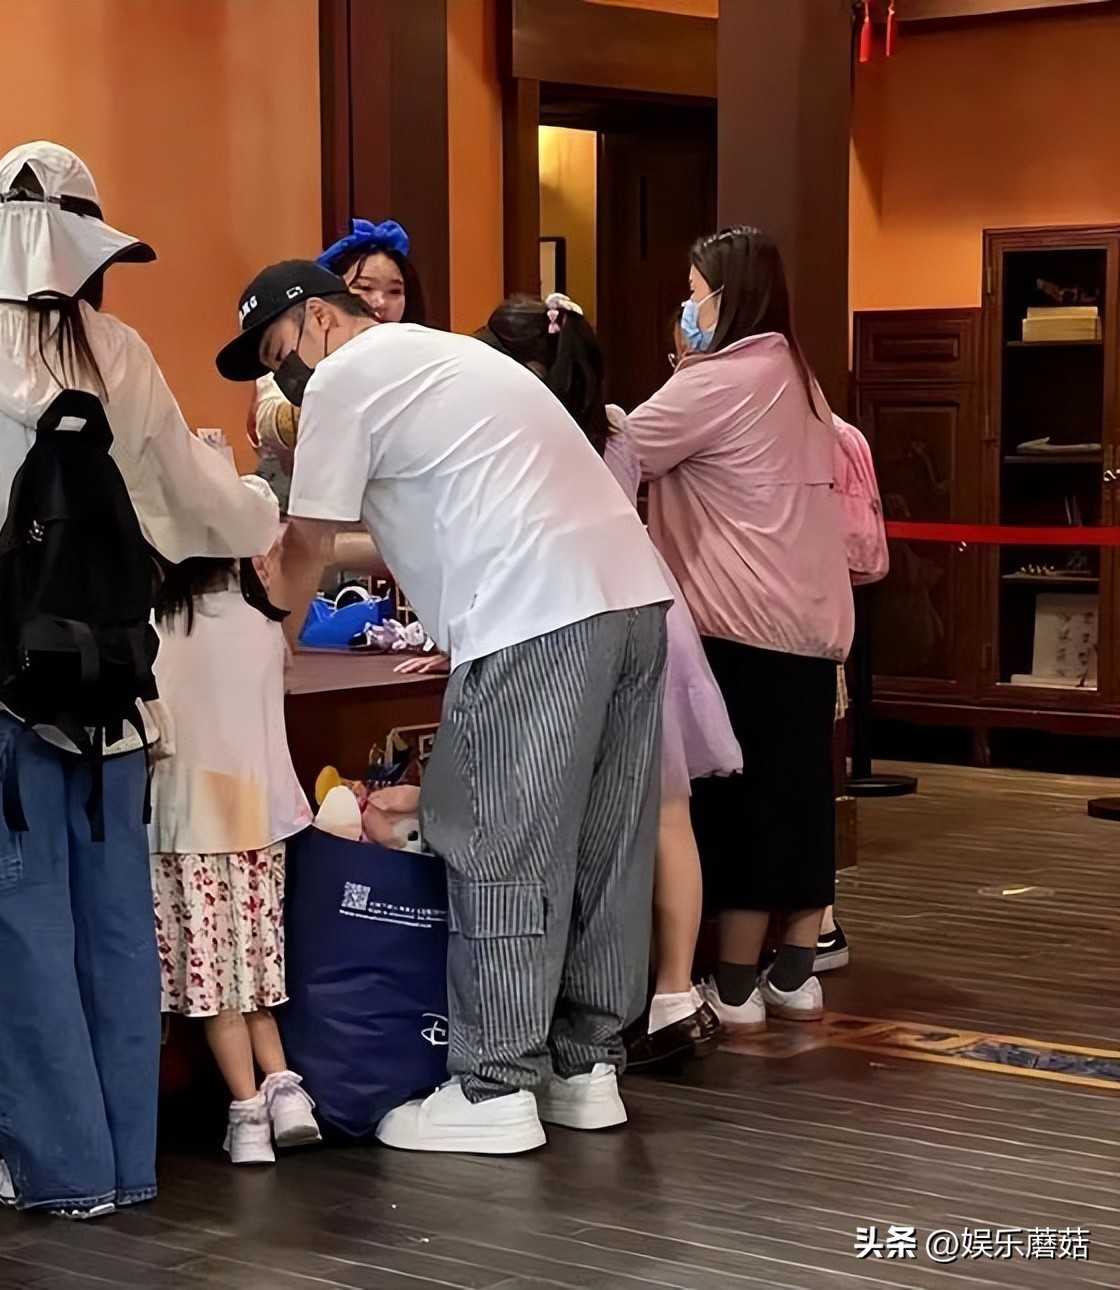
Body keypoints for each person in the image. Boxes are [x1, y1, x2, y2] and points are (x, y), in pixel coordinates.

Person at [0, 142, 278, 1217]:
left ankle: (62, 1172)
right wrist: (272, 510)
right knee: (114, 932)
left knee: (22, 935)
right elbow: (197, 511)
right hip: (115, 701)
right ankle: (126, 1162)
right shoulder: (121, 352)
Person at [216, 260, 673, 1154]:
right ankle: (585, 1068)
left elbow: (307, 539)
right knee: (602, 840)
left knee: (499, 835)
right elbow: (400, 528)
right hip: (630, 597)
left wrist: (267, 629)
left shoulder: (349, 373)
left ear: (318, 321)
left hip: (534, 615)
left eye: (281, 357)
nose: (287, 383)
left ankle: (494, 1085)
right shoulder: (441, 359)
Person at [477, 294, 742, 1067]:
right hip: (649, 608)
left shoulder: (514, 437)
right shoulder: (615, 429)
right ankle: (673, 991)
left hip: (566, 612)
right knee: (668, 817)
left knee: (580, 829)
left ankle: (576, 1011)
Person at [626, 226, 855, 1034]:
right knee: (798, 801)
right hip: (811, 624)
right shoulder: (796, 372)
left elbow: (619, 447)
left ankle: (730, 986)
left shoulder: (720, 379)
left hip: (741, 622)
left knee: (741, 808)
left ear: (726, 300)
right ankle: (794, 973)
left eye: (693, 295)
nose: (685, 311)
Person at [150, 484, 320, 1166]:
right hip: (257, 816)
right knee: (255, 968)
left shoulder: (156, 630)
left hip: (185, 818)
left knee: (212, 978)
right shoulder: (265, 626)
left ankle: (247, 1114)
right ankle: (286, 1091)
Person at [249, 219, 424, 509]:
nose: (380, 302)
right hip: (295, 499)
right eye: (365, 287)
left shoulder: (420, 356)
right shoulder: (292, 353)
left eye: (395, 292)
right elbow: (268, 421)